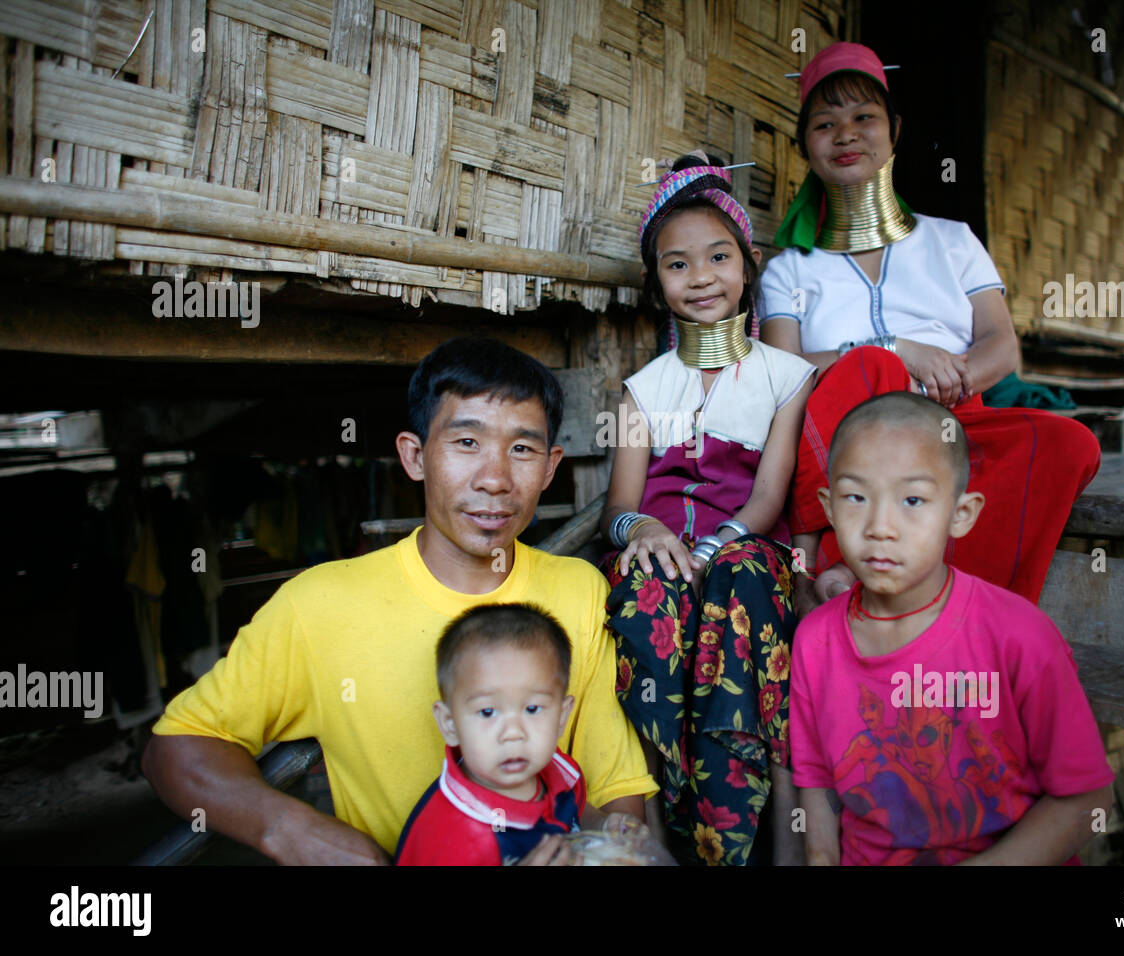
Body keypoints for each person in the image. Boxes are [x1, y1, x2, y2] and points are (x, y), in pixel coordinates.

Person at [142, 339, 654, 864]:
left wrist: (607, 852)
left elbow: (612, 788)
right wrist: (291, 829)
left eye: (522, 449)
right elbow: (178, 746)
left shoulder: (579, 589)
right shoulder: (320, 604)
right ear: (414, 456)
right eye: (466, 443)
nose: (496, 480)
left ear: (550, 468)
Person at [759, 41, 1101, 607]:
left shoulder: (952, 239)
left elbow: (1000, 346)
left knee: (1069, 443)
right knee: (869, 365)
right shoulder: (791, 266)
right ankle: (844, 562)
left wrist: (937, 384)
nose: (845, 134)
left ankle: (981, 606)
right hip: (848, 435)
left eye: (863, 118)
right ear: (806, 145)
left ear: (894, 130)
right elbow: (781, 367)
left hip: (951, 418)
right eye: (825, 124)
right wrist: (894, 352)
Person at [790, 392, 1114, 865]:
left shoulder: (1019, 636)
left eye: (913, 500)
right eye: (856, 497)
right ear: (829, 506)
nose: (881, 526)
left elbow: (1087, 802)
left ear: (961, 514)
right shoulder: (815, 640)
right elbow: (816, 783)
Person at [601, 152, 815, 865]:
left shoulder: (786, 378)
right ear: (656, 283)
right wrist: (648, 532)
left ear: (747, 265)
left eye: (718, 257)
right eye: (678, 264)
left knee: (741, 581)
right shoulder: (643, 388)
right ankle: (664, 820)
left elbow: (768, 497)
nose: (701, 278)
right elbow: (619, 509)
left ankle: (736, 831)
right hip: (665, 551)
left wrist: (712, 545)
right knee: (641, 590)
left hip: (747, 549)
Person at [396, 603, 646, 866]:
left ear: (561, 717)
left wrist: (605, 825)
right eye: (487, 712)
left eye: (532, 708)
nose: (513, 733)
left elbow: (577, 812)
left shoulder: (558, 770)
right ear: (449, 724)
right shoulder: (448, 837)